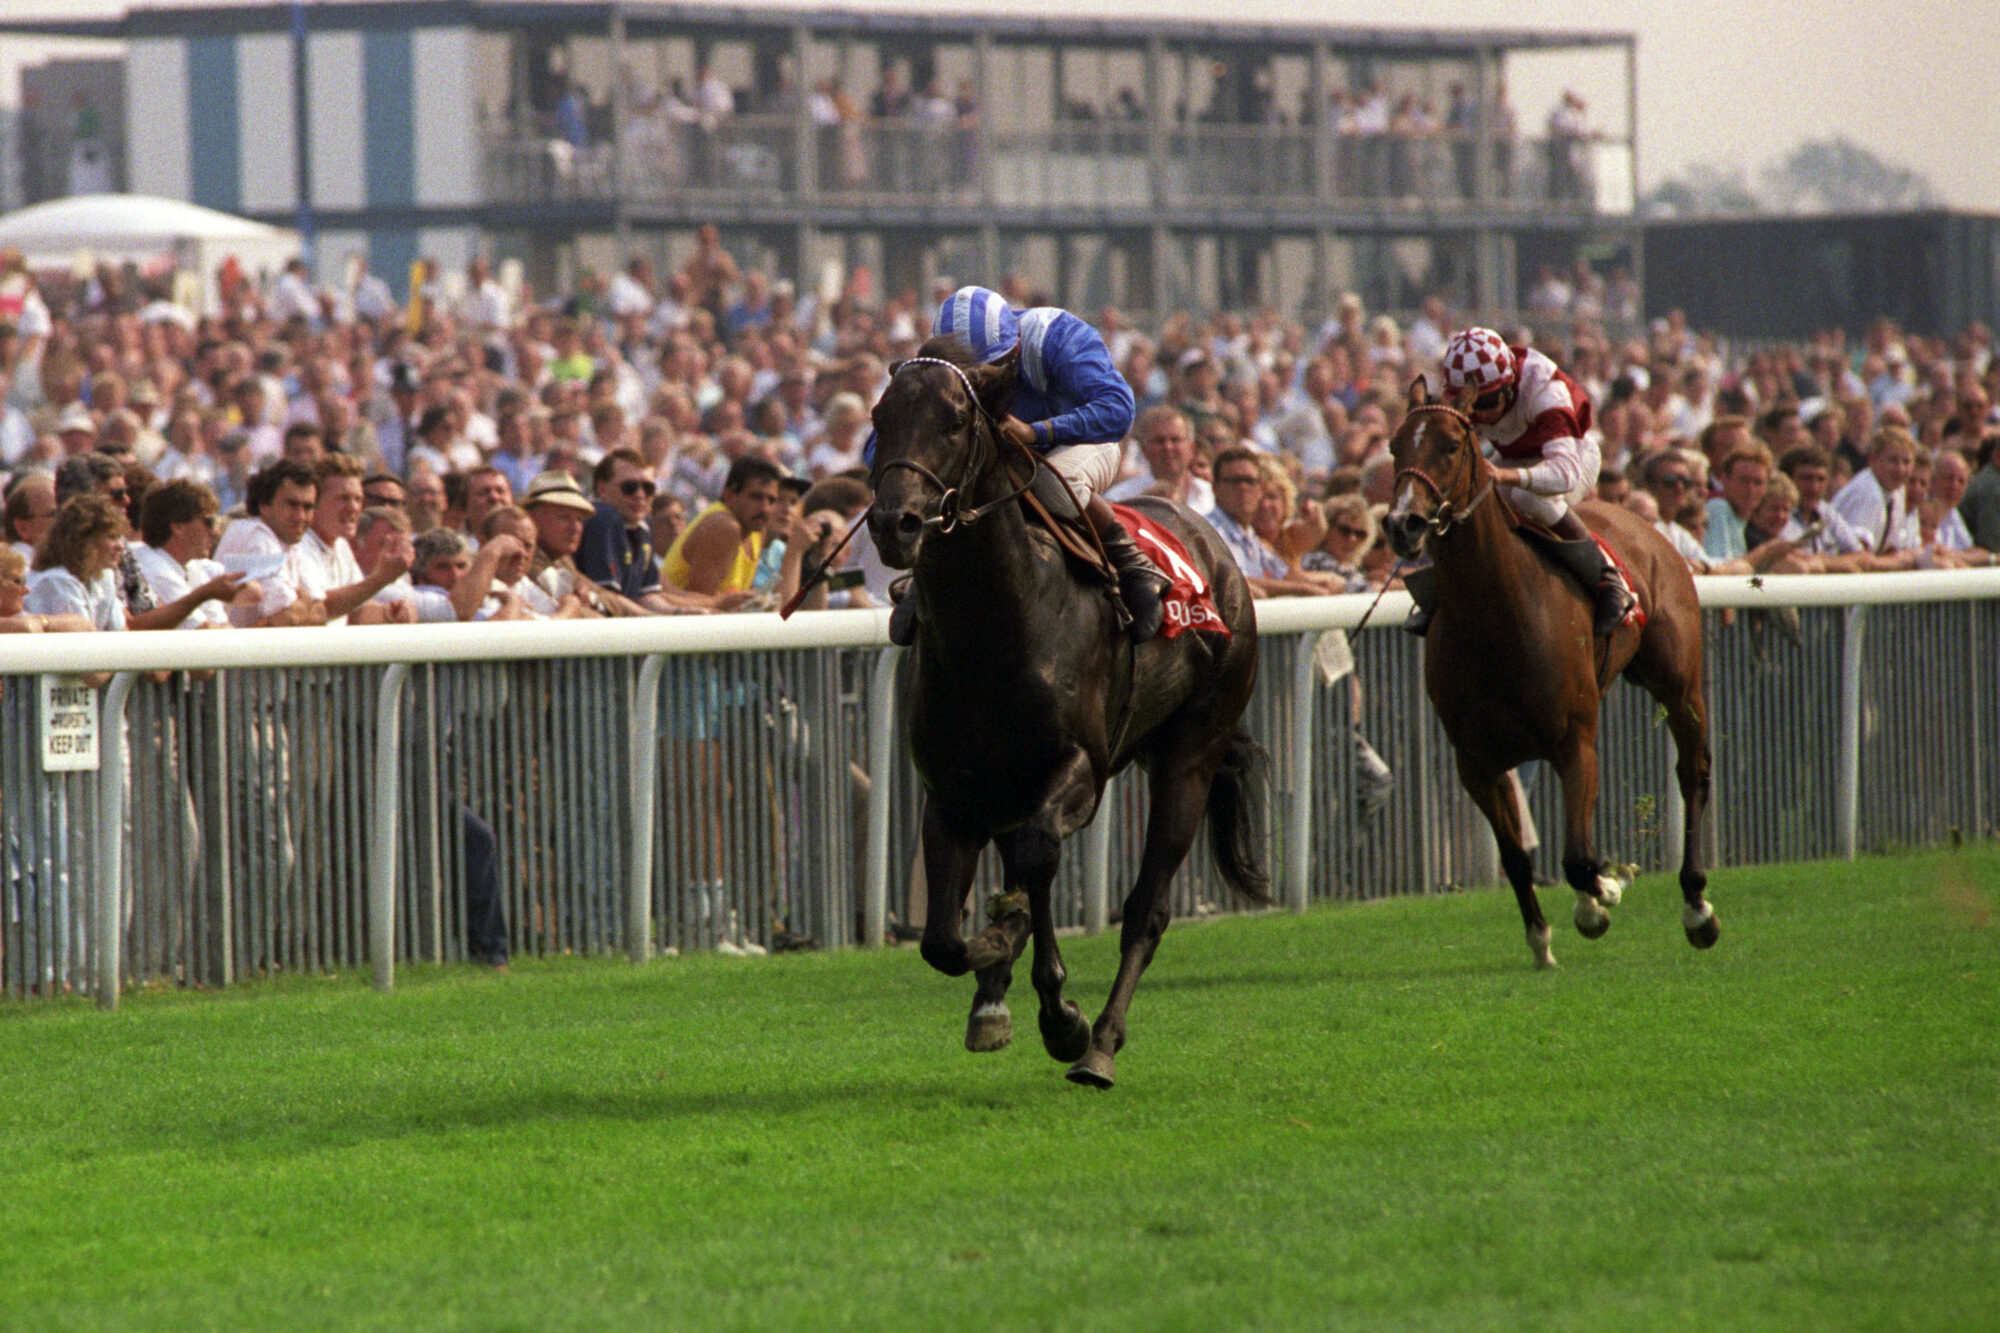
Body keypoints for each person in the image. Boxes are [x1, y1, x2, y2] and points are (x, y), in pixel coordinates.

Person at [889, 284, 1168, 645]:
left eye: (989, 369)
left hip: (1081, 444)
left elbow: (1118, 411)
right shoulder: (934, 367)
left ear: (1015, 347)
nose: (979, 382)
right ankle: (925, 578)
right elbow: (889, 441)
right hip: (1003, 456)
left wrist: (1036, 432)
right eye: (968, 373)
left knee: (1053, 482)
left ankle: (1132, 563)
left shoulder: (1057, 336)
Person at [1417, 327, 1632, 636]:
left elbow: (1564, 473)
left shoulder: (1544, 389)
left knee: (1531, 498)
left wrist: (1505, 474)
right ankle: (1446, 588)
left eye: (1486, 402)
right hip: (1518, 456)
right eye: (1470, 403)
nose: (1477, 413)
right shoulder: (1472, 390)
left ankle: (1609, 579)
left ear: (1508, 386)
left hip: (1574, 456)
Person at [661, 454, 781, 598]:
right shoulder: (724, 526)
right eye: (756, 497)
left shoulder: (757, 526)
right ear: (729, 496)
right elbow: (700, 606)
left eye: (771, 500)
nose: (765, 508)